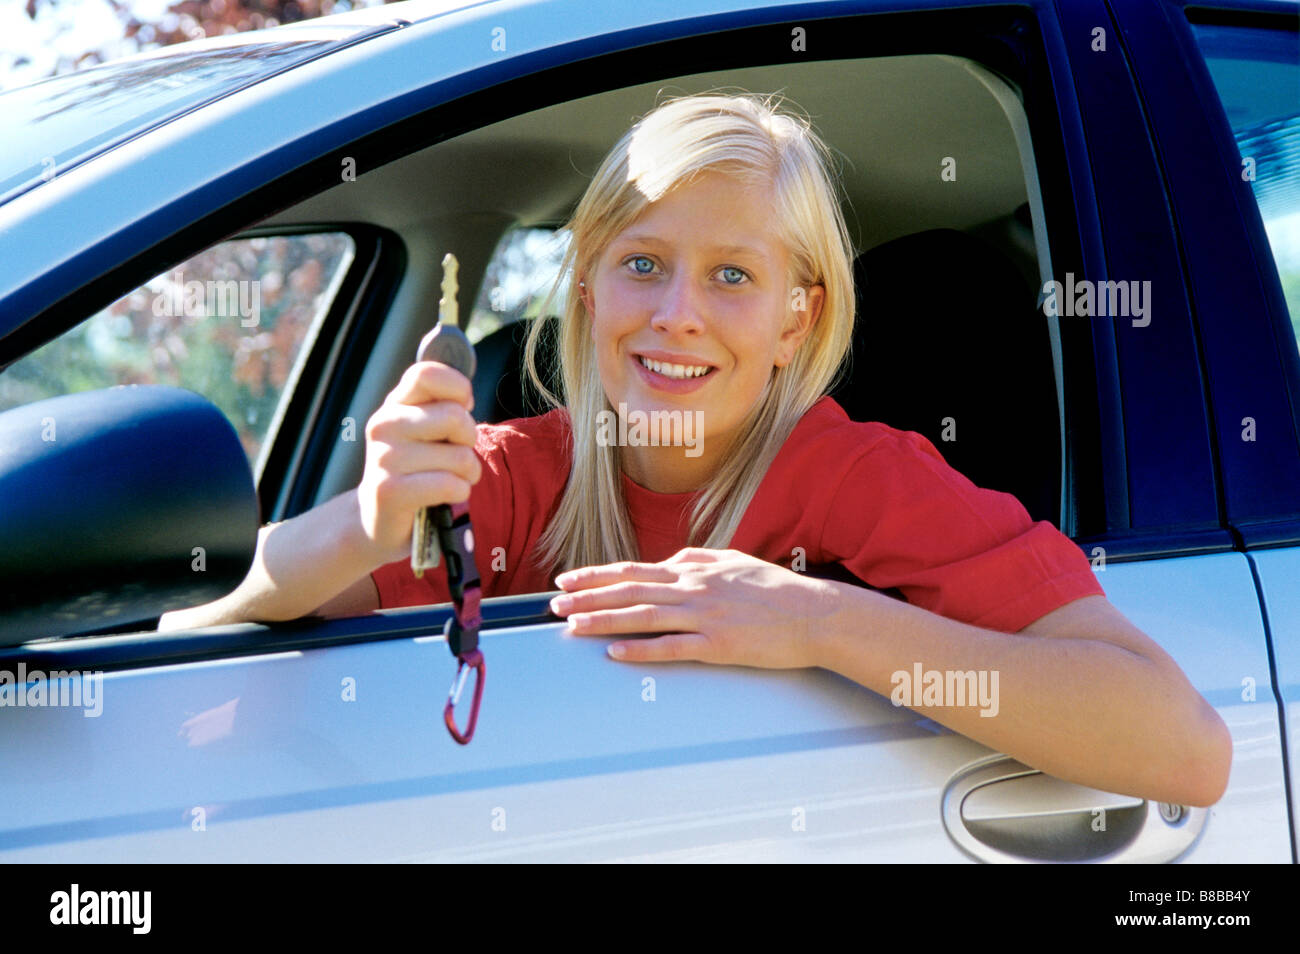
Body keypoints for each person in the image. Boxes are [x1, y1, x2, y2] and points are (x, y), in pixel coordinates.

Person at [160, 92, 1231, 807]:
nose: (676, 313)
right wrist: (366, 519)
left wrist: (819, 621)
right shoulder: (514, 473)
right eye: (641, 264)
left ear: (795, 324)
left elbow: (1184, 747)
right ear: (584, 290)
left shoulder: (858, 478)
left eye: (731, 277)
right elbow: (196, 637)